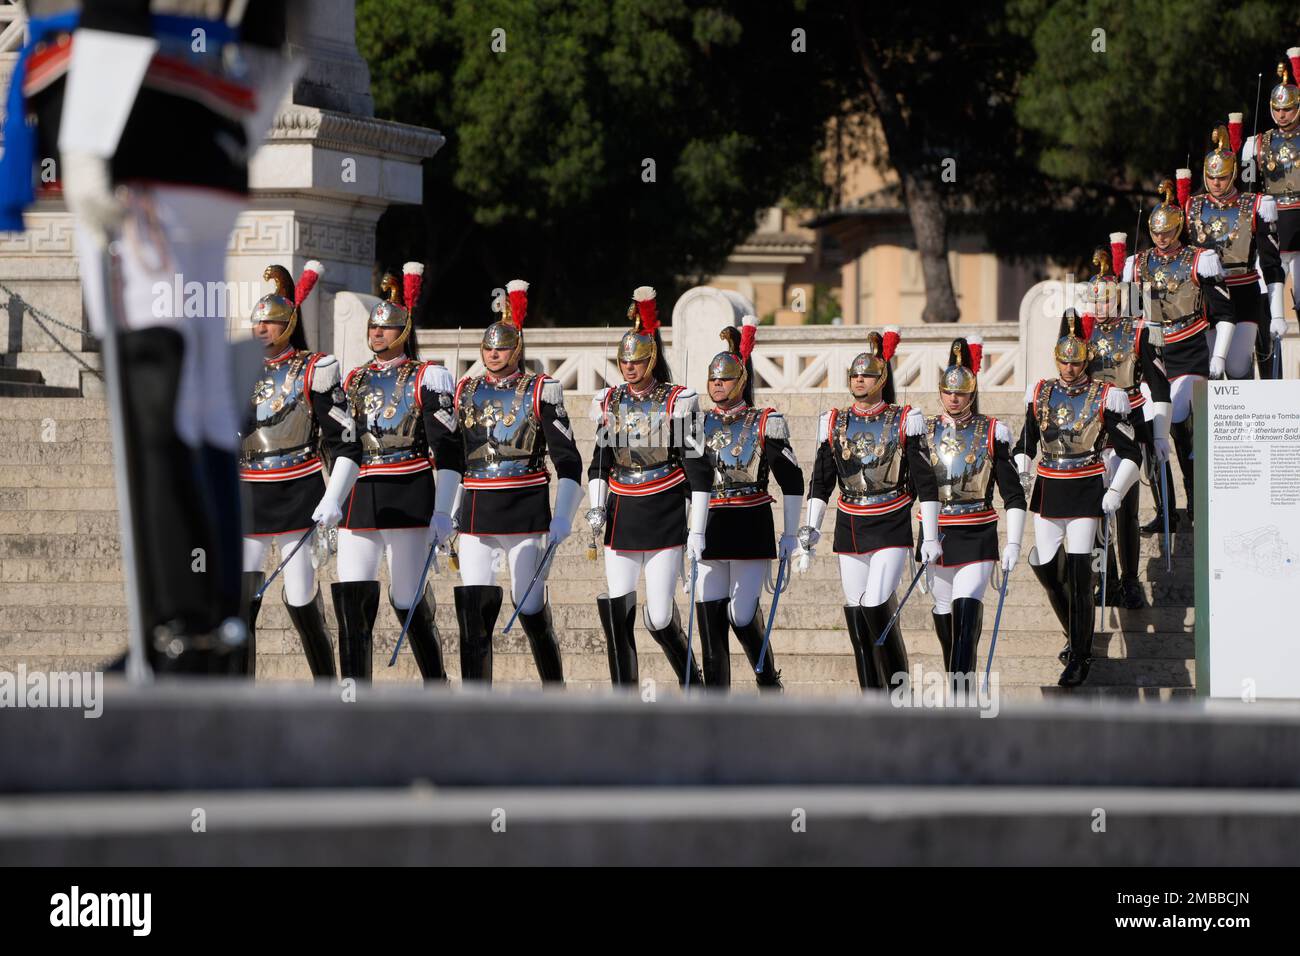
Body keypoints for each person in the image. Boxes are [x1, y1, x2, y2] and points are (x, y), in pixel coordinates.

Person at [1, 2, 302, 673]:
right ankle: (215, 620)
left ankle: (176, 627)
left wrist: (85, 143)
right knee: (201, 399)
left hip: (128, 120)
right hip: (210, 131)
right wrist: (249, 107)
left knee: (152, 387)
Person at [425, 280, 583, 685]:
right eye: (488, 348)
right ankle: (478, 698)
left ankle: (553, 685)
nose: (493, 354)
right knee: (471, 607)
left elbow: (568, 459)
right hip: (477, 512)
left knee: (528, 605)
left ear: (517, 350)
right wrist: (445, 510)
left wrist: (563, 516)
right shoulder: (465, 390)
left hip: (525, 512)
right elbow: (453, 458)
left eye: (501, 348)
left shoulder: (539, 390)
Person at [800, 328, 940, 691]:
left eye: (867, 375)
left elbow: (926, 482)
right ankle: (872, 695)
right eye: (855, 375)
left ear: (882, 379)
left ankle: (899, 689)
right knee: (856, 611)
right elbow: (821, 481)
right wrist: (810, 528)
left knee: (877, 604)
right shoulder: (834, 422)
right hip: (850, 523)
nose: (860, 380)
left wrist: (931, 534)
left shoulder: (904, 418)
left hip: (891, 521)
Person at [240, 261, 360, 678]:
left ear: (289, 324)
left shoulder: (316, 369)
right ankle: (238, 698)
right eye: (258, 322)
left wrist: (332, 498)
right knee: (241, 605)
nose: (262, 329)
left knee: (300, 598)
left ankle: (328, 686)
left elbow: (346, 445)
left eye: (271, 322)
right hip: (249, 495)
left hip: (298, 492)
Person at [333, 265, 453, 682]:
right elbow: (340, 445)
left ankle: (435, 682)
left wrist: (444, 511)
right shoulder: (353, 379)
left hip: (408, 491)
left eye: (386, 328)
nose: (377, 334)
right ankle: (353, 691)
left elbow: (448, 451)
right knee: (351, 595)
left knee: (406, 599)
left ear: (403, 330)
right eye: (373, 327)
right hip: (360, 496)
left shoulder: (426, 376)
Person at [586, 286, 710, 687]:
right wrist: (596, 506)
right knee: (616, 609)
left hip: (664, 513)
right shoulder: (608, 401)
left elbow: (698, 470)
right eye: (623, 361)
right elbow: (598, 463)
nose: (629, 368)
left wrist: (697, 529)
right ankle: (625, 695)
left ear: (651, 358)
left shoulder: (678, 401)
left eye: (636, 361)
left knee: (658, 616)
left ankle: (691, 679)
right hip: (622, 513)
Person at [1014, 312, 1142, 687]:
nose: (1069, 369)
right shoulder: (1040, 392)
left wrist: (1115, 491)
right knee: (1047, 565)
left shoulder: (1107, 396)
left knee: (1080, 571)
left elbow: (1131, 453)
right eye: (1063, 361)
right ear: (1056, 360)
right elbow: (1027, 441)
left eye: (1075, 362)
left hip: (1087, 486)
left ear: (1085, 361)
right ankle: (1076, 631)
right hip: (1049, 487)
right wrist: (1022, 465)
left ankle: (1081, 654)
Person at [694, 316, 805, 690]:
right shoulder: (695, 421)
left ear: (741, 381)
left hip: (749, 524)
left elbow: (792, 480)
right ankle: (715, 703)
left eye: (724, 379)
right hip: (708, 525)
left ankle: (767, 680)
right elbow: (683, 481)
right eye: (713, 379)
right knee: (709, 617)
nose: (717, 385)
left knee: (741, 615)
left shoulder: (765, 421)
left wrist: (791, 534)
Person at [918, 337, 1026, 683]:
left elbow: (1013, 494)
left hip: (977, 533)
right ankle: (957, 683)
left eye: (961, 393)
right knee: (945, 615)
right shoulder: (923, 432)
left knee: (966, 613)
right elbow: (912, 490)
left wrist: (1013, 543)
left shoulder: (992, 432)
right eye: (948, 392)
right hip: (936, 534)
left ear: (971, 393)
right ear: (940, 392)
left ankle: (961, 698)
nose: (954, 398)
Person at [1122, 179, 1227, 524]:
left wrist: (1219, 354)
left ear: (1179, 227)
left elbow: (1223, 312)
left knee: (1181, 423)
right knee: (1153, 432)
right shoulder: (1138, 264)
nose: (1161, 238)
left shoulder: (1200, 260)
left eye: (1167, 232)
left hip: (1189, 350)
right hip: (1154, 354)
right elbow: (1132, 315)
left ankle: (1197, 500)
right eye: (1156, 233)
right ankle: (1165, 508)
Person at [1085, 245, 1171, 607]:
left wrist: (1161, 433)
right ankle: (1101, 577)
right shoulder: (1080, 337)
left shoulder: (1138, 333)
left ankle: (1129, 581)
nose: (1101, 307)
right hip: (1091, 430)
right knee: (1093, 509)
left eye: (1107, 300)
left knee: (1125, 507)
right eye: (1095, 300)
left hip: (1129, 427)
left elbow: (1160, 384)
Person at [1186, 123, 1284, 380]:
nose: (1216, 183)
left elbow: (1272, 264)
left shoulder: (1255, 205)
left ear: (1233, 175)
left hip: (1243, 292)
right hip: (1206, 297)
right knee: (1210, 368)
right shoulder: (1190, 207)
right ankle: (1209, 420)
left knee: (1237, 366)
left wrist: (1278, 313)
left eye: (1221, 177)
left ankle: (1244, 418)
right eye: (1211, 177)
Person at [1242, 49, 1300, 373]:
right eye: (1276, 109)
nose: (1281, 114)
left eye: (1288, 108)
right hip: (1271, 229)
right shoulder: (1258, 144)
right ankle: (1267, 371)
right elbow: (1249, 191)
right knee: (1264, 302)